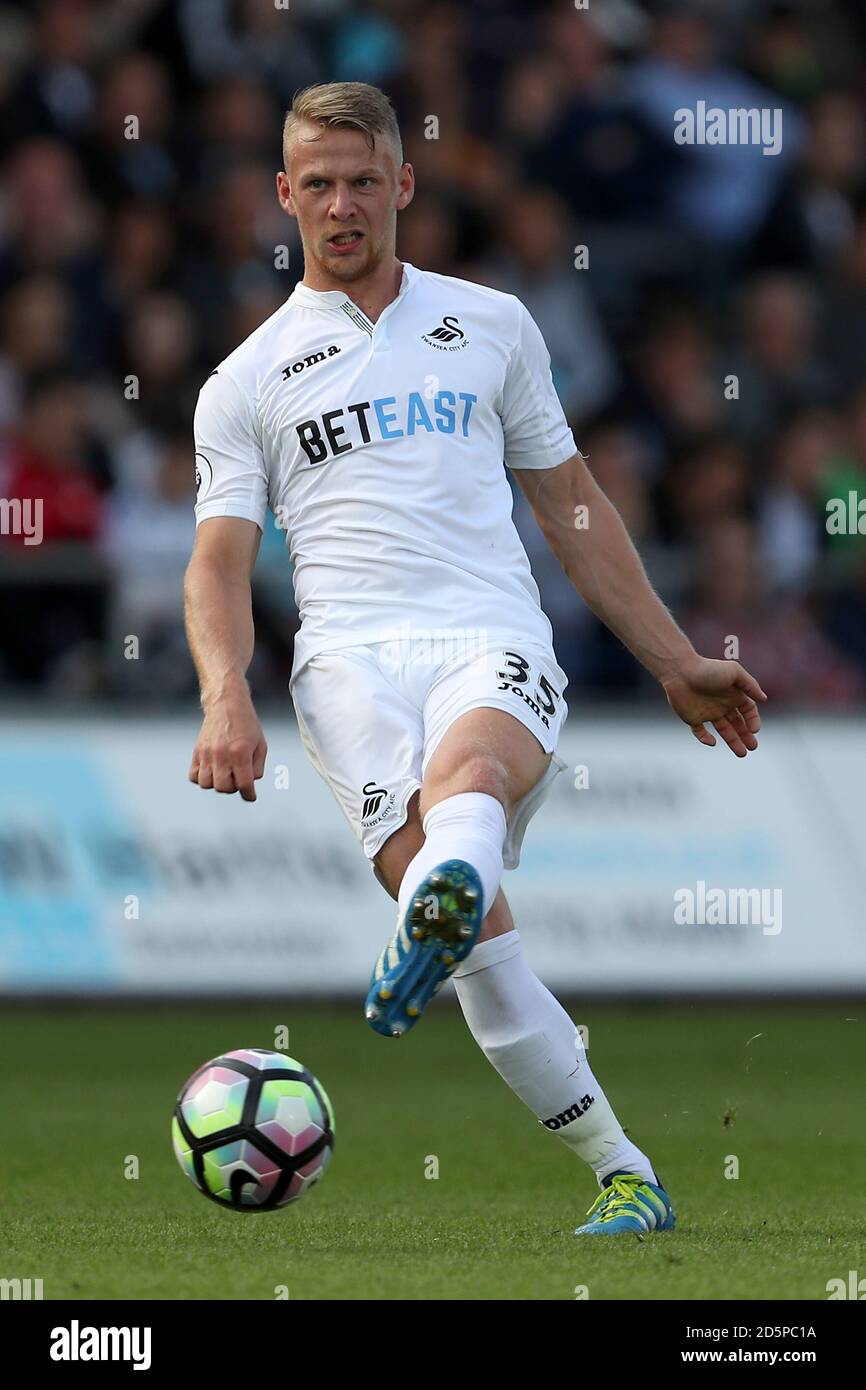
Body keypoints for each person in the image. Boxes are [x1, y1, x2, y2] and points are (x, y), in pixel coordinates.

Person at [184, 82, 766, 1237]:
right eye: (318, 184)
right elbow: (214, 565)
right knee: (484, 954)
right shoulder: (242, 382)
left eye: (363, 180)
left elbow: (573, 509)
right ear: (284, 197)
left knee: (468, 788)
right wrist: (221, 695)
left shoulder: (492, 323)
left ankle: (444, 883)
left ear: (403, 185)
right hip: (342, 666)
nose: (342, 205)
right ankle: (626, 1171)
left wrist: (670, 657)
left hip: (486, 633)